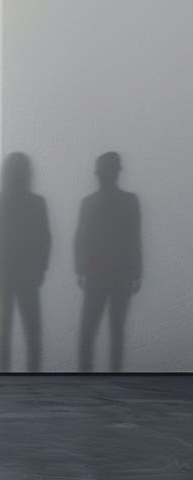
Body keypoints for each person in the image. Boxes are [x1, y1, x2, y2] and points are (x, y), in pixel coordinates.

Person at [75, 151, 142, 372]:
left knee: (89, 331)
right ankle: (114, 379)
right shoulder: (130, 202)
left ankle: (86, 378)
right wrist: (137, 272)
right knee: (116, 331)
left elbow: (80, 238)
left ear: (99, 174)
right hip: (120, 275)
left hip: (97, 275)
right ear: (117, 173)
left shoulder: (89, 203)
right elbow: (135, 238)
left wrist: (80, 270)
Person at [0, 152, 51, 372]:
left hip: (5, 274)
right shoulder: (36, 202)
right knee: (32, 330)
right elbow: (45, 238)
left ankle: (4, 377)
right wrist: (42, 267)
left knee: (5, 331)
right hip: (27, 274)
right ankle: (33, 376)